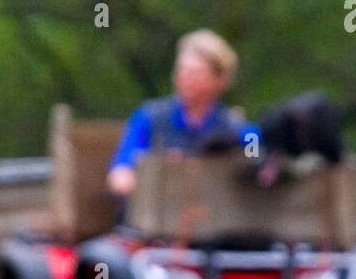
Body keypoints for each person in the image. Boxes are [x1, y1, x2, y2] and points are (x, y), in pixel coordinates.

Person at [106, 29, 257, 197]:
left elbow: (259, 151)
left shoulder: (232, 126)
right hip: (152, 216)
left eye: (197, 72)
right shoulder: (150, 117)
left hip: (214, 217)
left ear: (220, 80)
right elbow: (119, 176)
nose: (186, 77)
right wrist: (159, 173)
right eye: (182, 70)